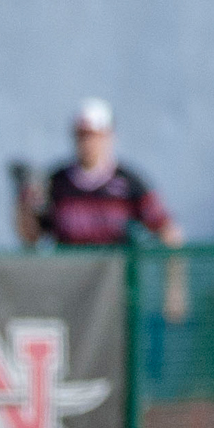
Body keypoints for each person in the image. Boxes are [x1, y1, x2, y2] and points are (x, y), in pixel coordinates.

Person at [17, 98, 187, 320]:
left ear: (109, 136)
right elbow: (33, 238)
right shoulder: (56, 182)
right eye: (82, 135)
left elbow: (169, 233)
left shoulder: (128, 183)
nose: (88, 142)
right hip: (69, 292)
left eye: (94, 135)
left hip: (114, 296)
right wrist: (22, 205)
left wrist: (174, 292)